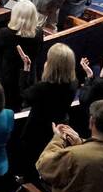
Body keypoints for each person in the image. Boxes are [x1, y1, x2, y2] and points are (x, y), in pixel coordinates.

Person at [17, 42, 78, 179]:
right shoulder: (73, 83)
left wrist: (26, 70)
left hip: (38, 130)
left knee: (33, 162)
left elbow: (25, 95)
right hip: (59, 127)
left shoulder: (44, 88)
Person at [0, 0, 43, 111]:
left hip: (7, 79)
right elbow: (38, 52)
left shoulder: (4, 34)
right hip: (29, 76)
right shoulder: (39, 34)